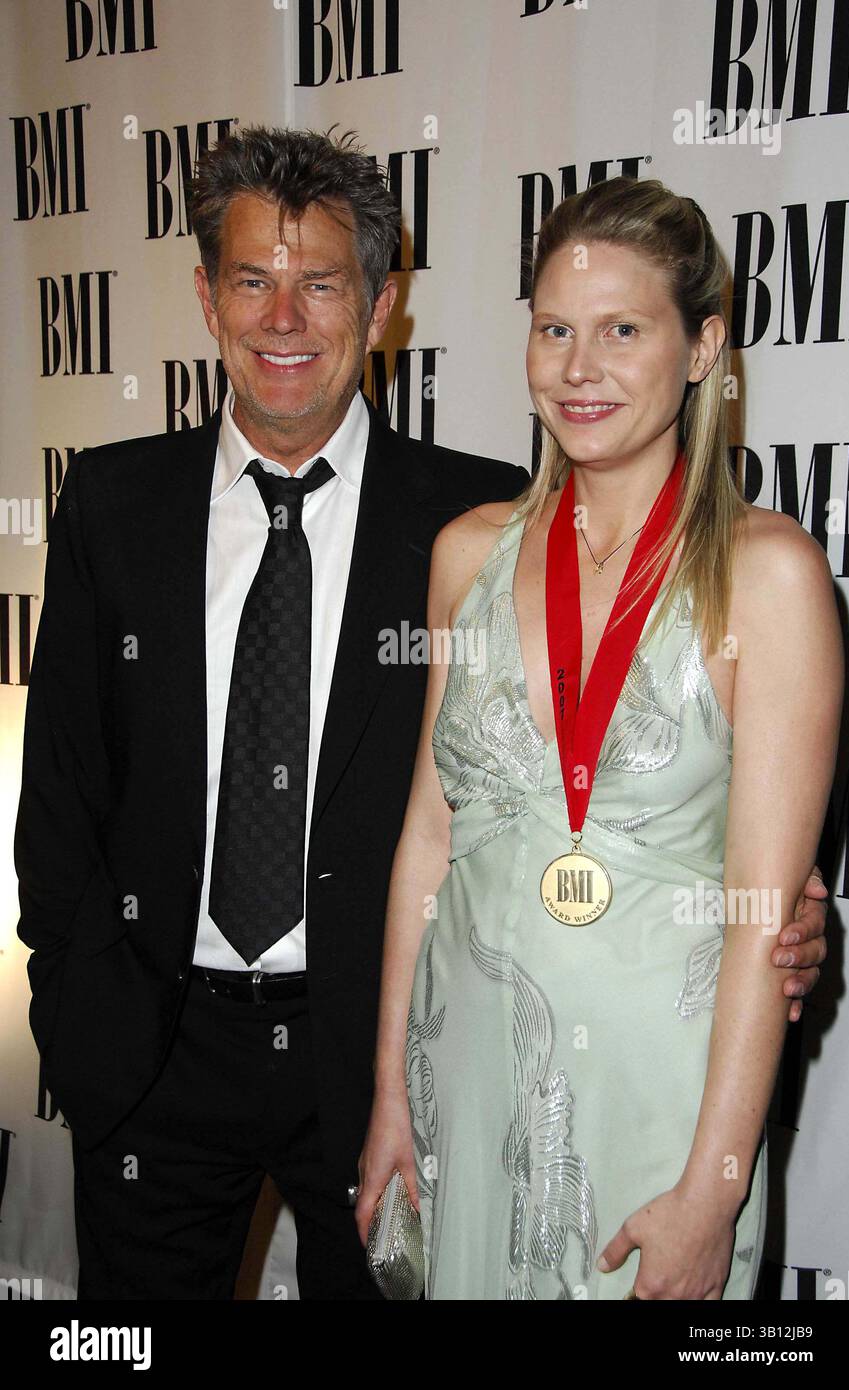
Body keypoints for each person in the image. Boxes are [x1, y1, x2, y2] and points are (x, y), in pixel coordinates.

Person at [13, 125, 528, 1300]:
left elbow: (551, 779)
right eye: (251, 279)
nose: (282, 318)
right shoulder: (112, 500)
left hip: (384, 1060)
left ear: (381, 302)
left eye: (319, 282)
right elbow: (62, 789)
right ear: (206, 296)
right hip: (152, 1047)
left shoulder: (481, 520)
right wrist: (81, 1009)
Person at [356, 176, 842, 1300]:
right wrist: (391, 1090)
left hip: (656, 1114)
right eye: (553, 329)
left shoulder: (768, 578)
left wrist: (710, 1193)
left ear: (700, 346)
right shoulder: (464, 556)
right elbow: (426, 840)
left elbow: (763, 917)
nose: (578, 369)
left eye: (623, 330)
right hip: (463, 1085)